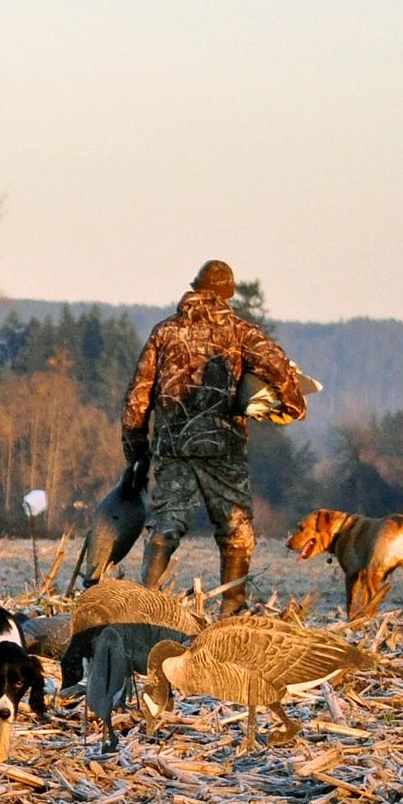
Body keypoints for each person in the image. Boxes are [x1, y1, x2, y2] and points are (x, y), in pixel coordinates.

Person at [119, 260, 302, 614]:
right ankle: (231, 614)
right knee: (236, 531)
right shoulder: (239, 332)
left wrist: (137, 451)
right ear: (227, 295)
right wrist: (293, 404)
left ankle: (145, 607)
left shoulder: (164, 333)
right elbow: (278, 366)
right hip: (224, 448)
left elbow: (137, 398)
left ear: (194, 289)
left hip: (174, 448)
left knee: (166, 526)